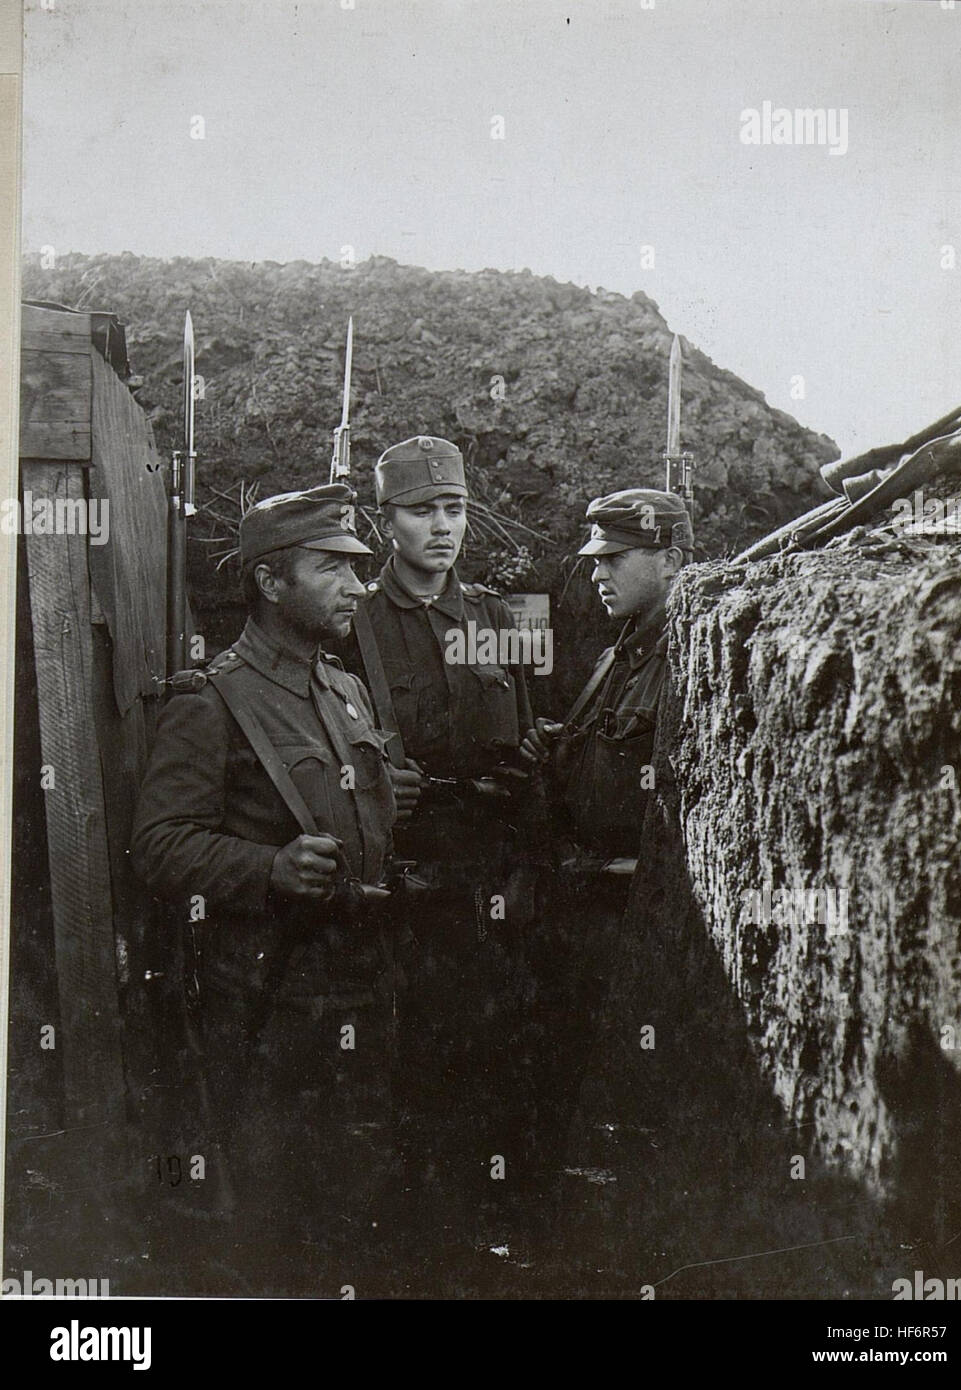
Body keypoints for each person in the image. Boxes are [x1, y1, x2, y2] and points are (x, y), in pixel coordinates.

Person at [130, 482, 403, 1296]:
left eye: (360, 567)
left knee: (352, 1206)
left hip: (362, 987)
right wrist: (267, 871)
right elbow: (158, 843)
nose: (360, 585)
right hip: (265, 1009)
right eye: (334, 569)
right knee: (270, 1225)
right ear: (270, 582)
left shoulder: (344, 689)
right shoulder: (211, 702)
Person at [340, 435, 541, 1268]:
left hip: (488, 878)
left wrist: (528, 848)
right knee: (395, 1061)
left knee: (493, 1054)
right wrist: (377, 784)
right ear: (386, 523)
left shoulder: (498, 618)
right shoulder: (353, 624)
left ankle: (481, 1231)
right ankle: (405, 1242)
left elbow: (533, 741)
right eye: (423, 511)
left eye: (454, 508)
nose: (443, 526)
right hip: (395, 883)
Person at [519, 488, 693, 1139]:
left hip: (637, 921)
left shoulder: (687, 661)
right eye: (594, 558)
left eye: (614, 558)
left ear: (670, 560)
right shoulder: (617, 656)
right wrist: (556, 746)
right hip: (588, 912)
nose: (596, 572)